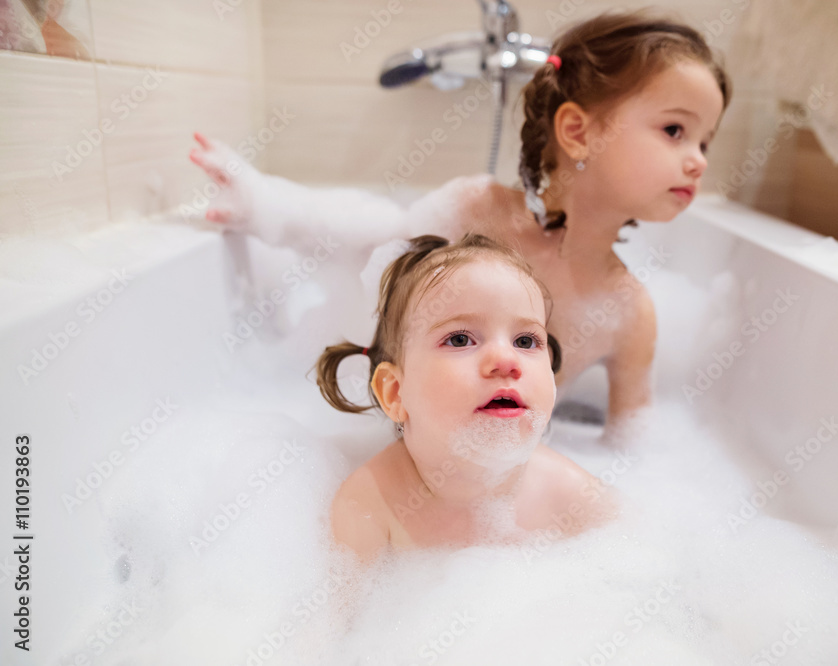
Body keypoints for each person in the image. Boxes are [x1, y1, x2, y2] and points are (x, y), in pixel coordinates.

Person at [188, 9, 731, 439]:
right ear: (578, 132)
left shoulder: (630, 313)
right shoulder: (478, 211)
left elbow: (635, 448)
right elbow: (373, 246)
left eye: (706, 140)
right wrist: (272, 210)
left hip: (493, 478)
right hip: (383, 437)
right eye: (675, 130)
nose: (698, 160)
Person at [317, 233, 614, 561]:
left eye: (526, 341)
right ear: (396, 393)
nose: (505, 361)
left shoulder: (571, 496)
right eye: (460, 340)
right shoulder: (371, 504)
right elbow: (335, 609)